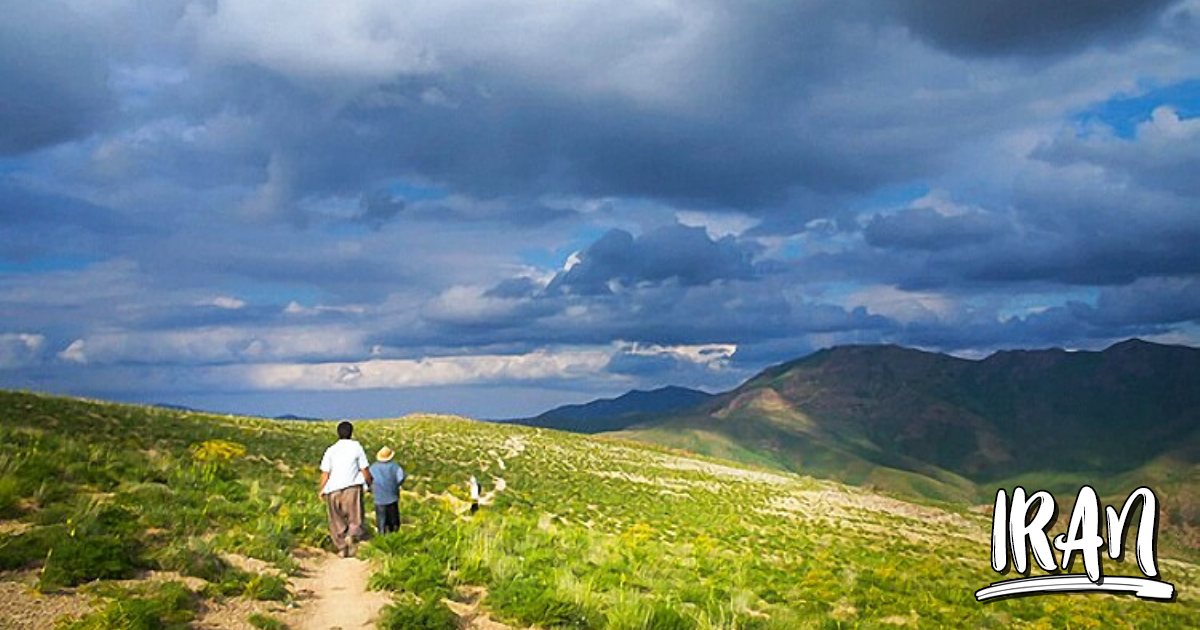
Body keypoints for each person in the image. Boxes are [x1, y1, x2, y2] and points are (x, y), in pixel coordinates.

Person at [318, 421, 373, 557]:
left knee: (336, 519)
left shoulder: (331, 450)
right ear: (351, 433)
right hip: (352, 487)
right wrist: (369, 482)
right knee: (355, 517)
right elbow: (364, 469)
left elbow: (325, 473)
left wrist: (322, 489)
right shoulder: (356, 447)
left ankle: (342, 547)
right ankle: (352, 537)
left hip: (333, 488)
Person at [368, 446, 406, 534]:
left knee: (381, 519)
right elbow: (400, 478)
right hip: (392, 497)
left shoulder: (373, 467)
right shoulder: (395, 466)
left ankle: (382, 534)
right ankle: (394, 534)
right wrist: (395, 485)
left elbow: (368, 479)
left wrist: (372, 488)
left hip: (379, 498)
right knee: (393, 520)